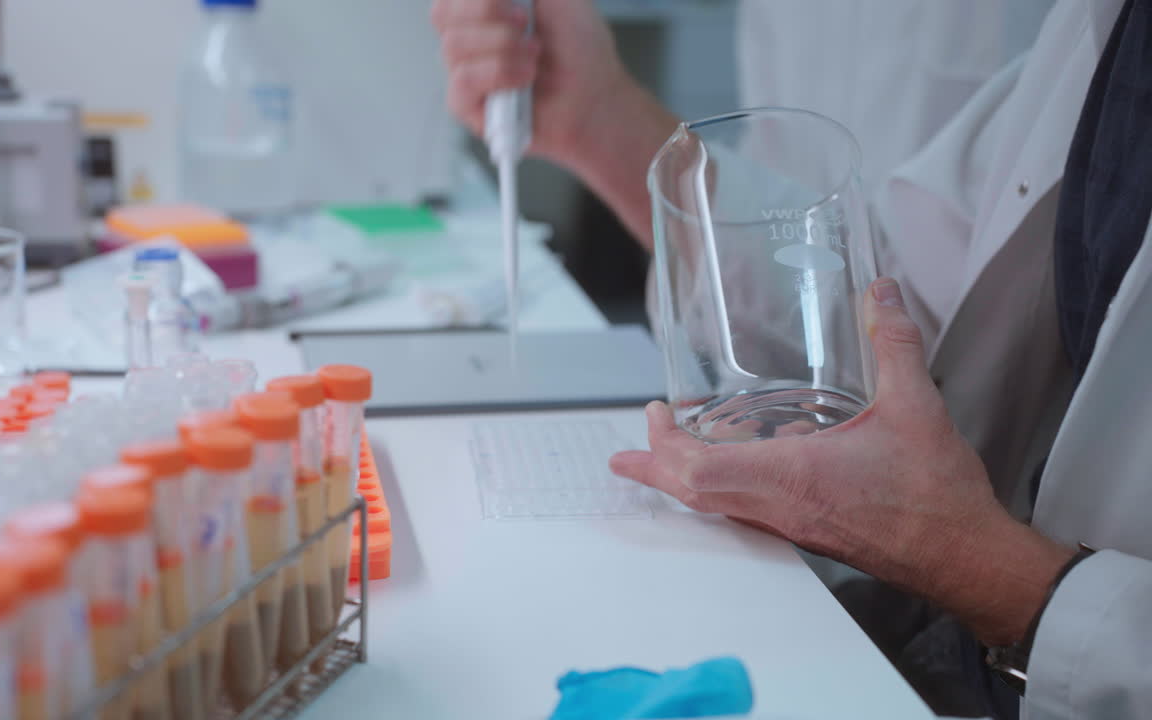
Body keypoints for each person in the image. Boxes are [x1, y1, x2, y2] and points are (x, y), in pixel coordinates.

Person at [436, 0, 1152, 718]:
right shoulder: (1100, 30)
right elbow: (879, 298)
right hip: (947, 641)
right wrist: (596, 117)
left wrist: (969, 561)